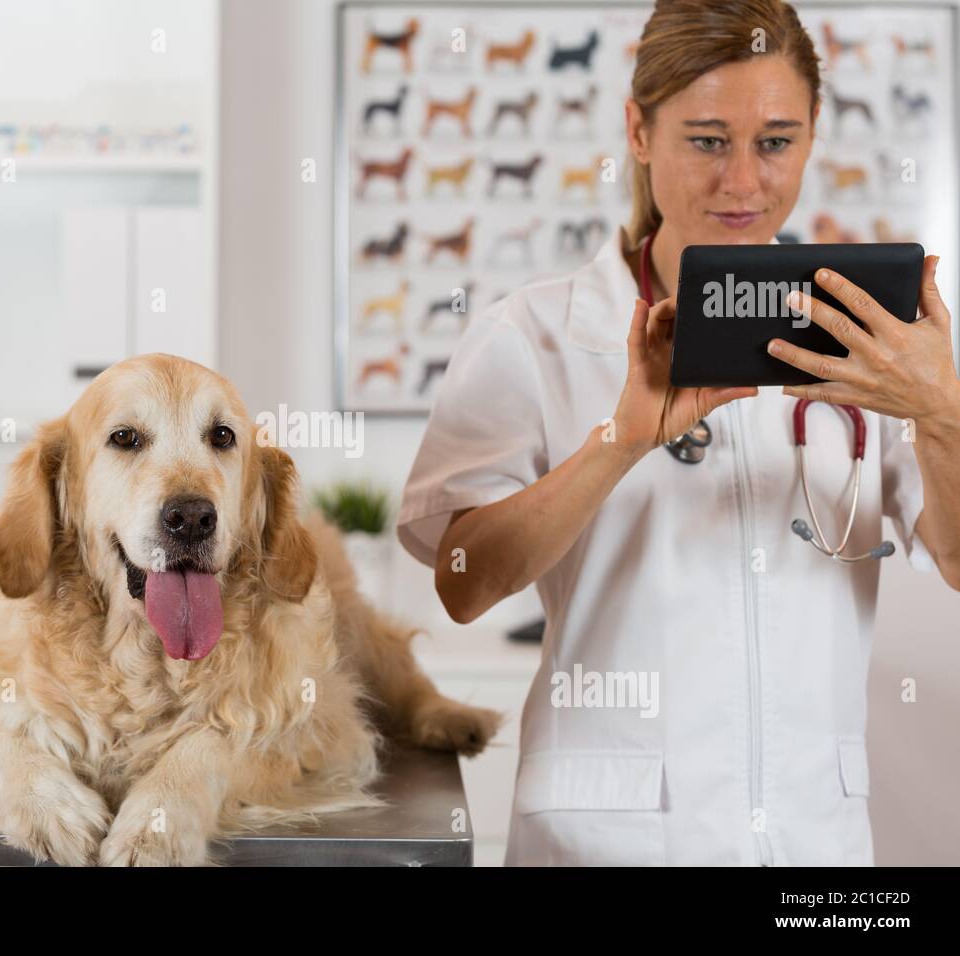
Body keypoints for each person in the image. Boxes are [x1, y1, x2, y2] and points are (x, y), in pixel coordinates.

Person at [397, 0, 960, 866]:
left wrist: (942, 411)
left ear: (812, 136)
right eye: (706, 139)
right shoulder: (537, 335)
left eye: (776, 140)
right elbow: (464, 583)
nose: (742, 181)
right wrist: (619, 442)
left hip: (813, 850)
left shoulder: (863, 338)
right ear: (638, 131)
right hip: (605, 842)